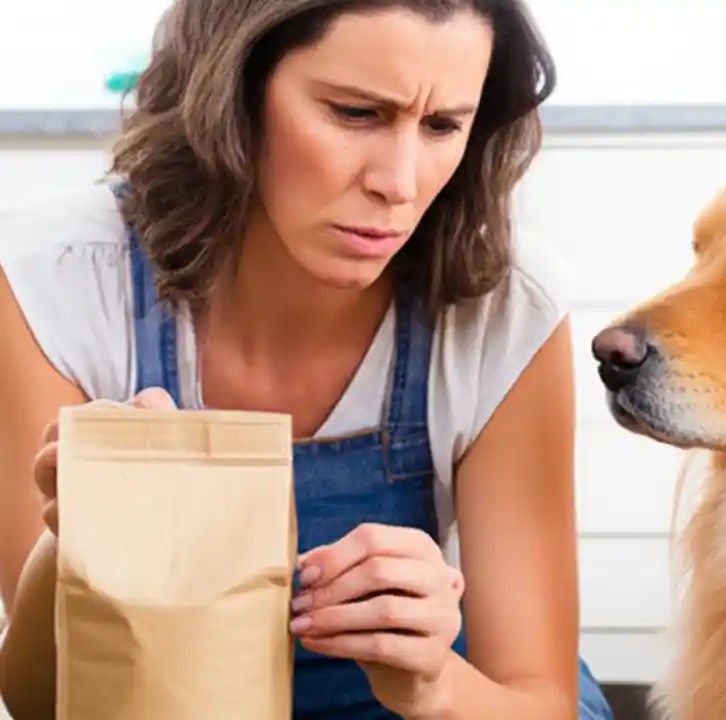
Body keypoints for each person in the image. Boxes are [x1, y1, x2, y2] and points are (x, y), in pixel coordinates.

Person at [0, 0, 616, 718]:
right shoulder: (58, 280)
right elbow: (44, 698)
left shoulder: (508, 305)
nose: (401, 181)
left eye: (443, 125)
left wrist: (434, 683)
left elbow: (538, 700)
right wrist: (78, 541)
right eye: (357, 113)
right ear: (233, 95)